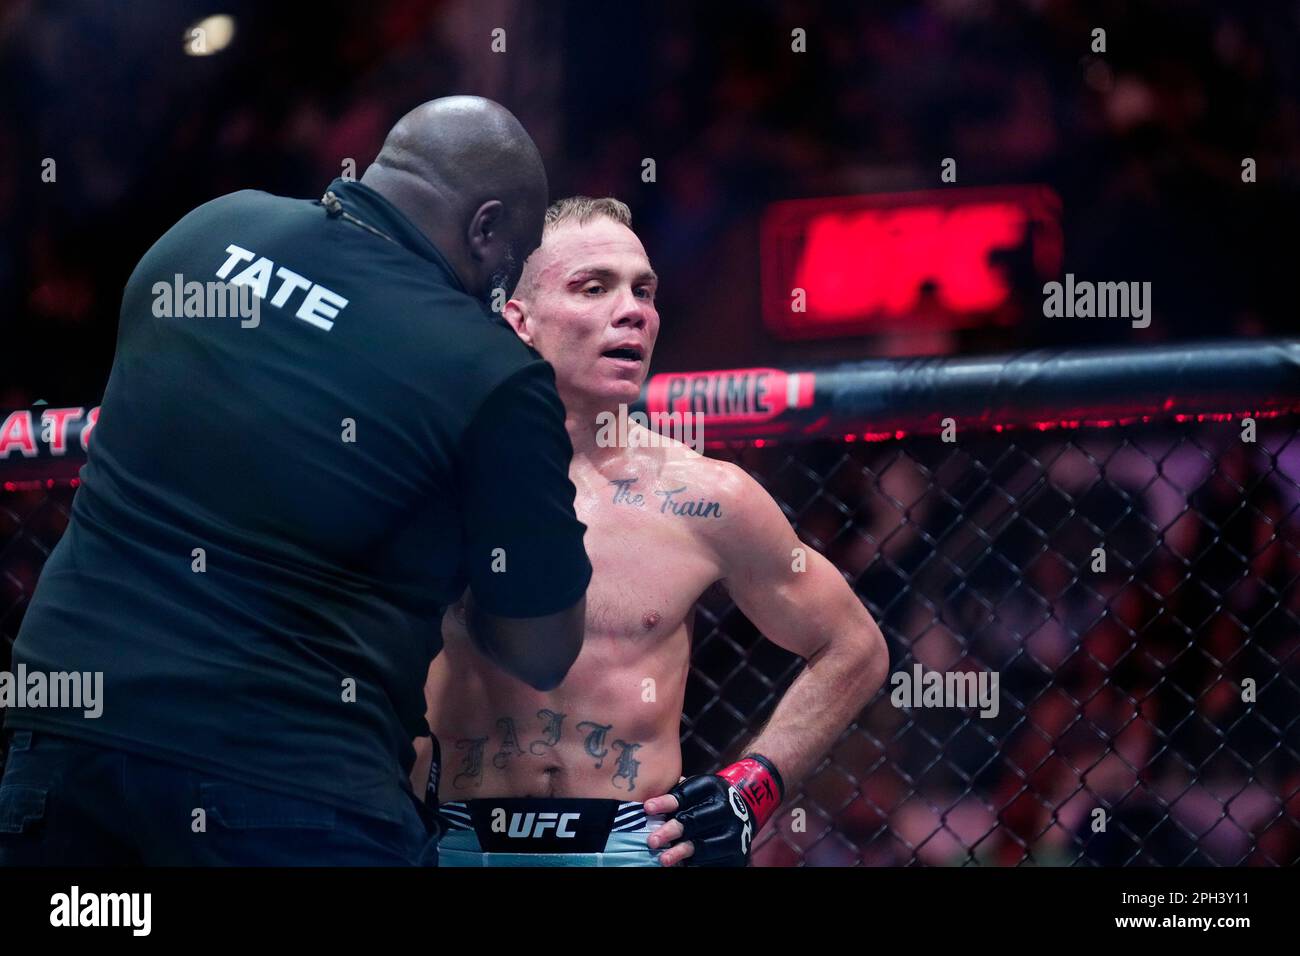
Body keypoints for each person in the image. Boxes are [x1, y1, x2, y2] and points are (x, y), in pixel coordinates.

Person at [0, 97, 591, 865]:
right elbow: (543, 645)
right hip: (289, 782)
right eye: (508, 262)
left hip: (66, 743)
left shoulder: (208, 230)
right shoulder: (489, 371)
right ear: (484, 228)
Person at [414, 197, 889, 866]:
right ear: (518, 319)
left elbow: (854, 646)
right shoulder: (425, 481)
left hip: (634, 848)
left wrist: (750, 789)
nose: (633, 309)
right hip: (448, 842)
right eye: (594, 286)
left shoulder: (704, 496)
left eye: (644, 289)